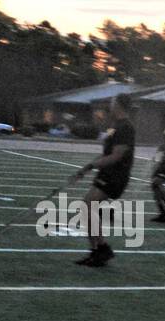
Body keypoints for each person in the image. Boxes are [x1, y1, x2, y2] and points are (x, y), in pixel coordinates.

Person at [70, 93, 135, 267]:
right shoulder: (116, 126)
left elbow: (116, 156)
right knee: (86, 207)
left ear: (119, 105)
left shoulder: (126, 127)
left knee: (88, 206)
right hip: (106, 174)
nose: (110, 106)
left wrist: (91, 166)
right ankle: (97, 251)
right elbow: (107, 152)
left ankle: (102, 249)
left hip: (115, 176)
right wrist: (88, 167)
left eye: (113, 103)